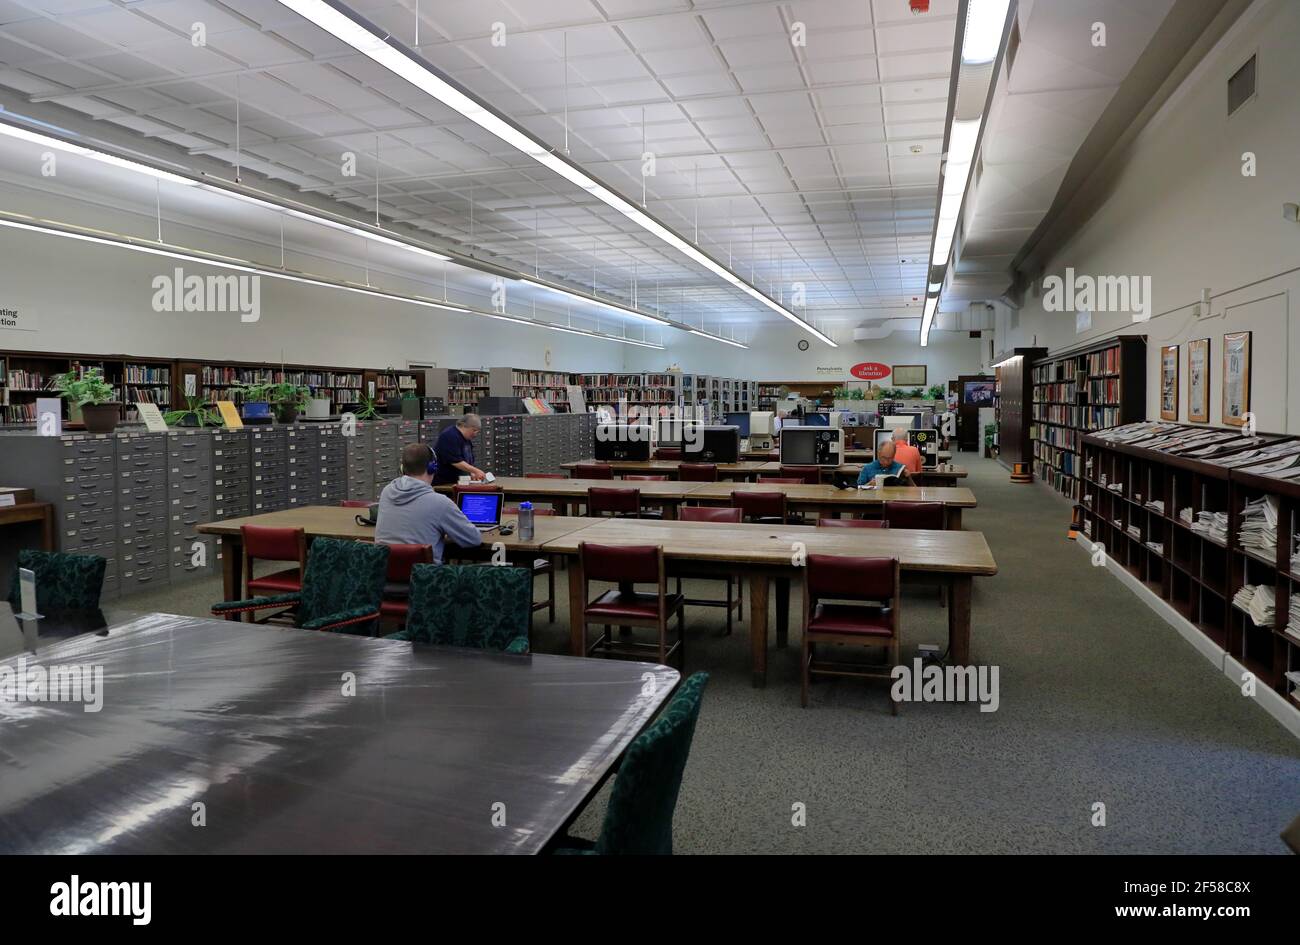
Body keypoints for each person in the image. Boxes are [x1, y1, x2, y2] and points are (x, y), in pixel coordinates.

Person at [375, 443, 482, 564]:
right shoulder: (441, 503)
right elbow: (473, 539)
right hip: (426, 578)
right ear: (432, 467)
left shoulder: (387, 492)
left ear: (402, 468)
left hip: (385, 576)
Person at [433, 414, 486, 486]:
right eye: (474, 430)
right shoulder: (450, 436)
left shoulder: (466, 439)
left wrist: (472, 473)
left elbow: (467, 460)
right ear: (464, 425)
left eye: (477, 431)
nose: (475, 434)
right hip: (444, 483)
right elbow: (455, 461)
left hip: (458, 481)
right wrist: (476, 471)